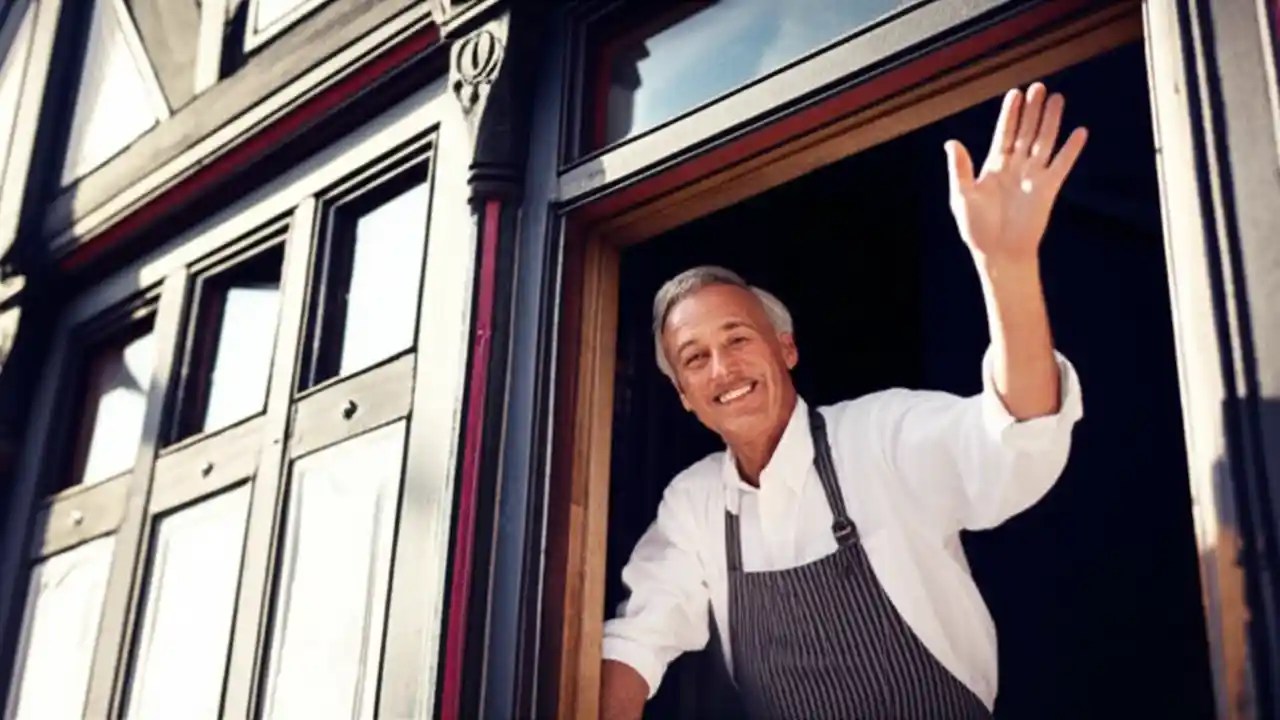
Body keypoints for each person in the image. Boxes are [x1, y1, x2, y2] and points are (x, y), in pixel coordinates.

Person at [599, 82, 1088, 720]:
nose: (723, 368)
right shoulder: (693, 505)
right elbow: (636, 643)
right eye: (696, 358)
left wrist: (1008, 267)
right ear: (686, 396)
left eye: (739, 338)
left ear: (787, 350)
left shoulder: (878, 434)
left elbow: (1016, 441)